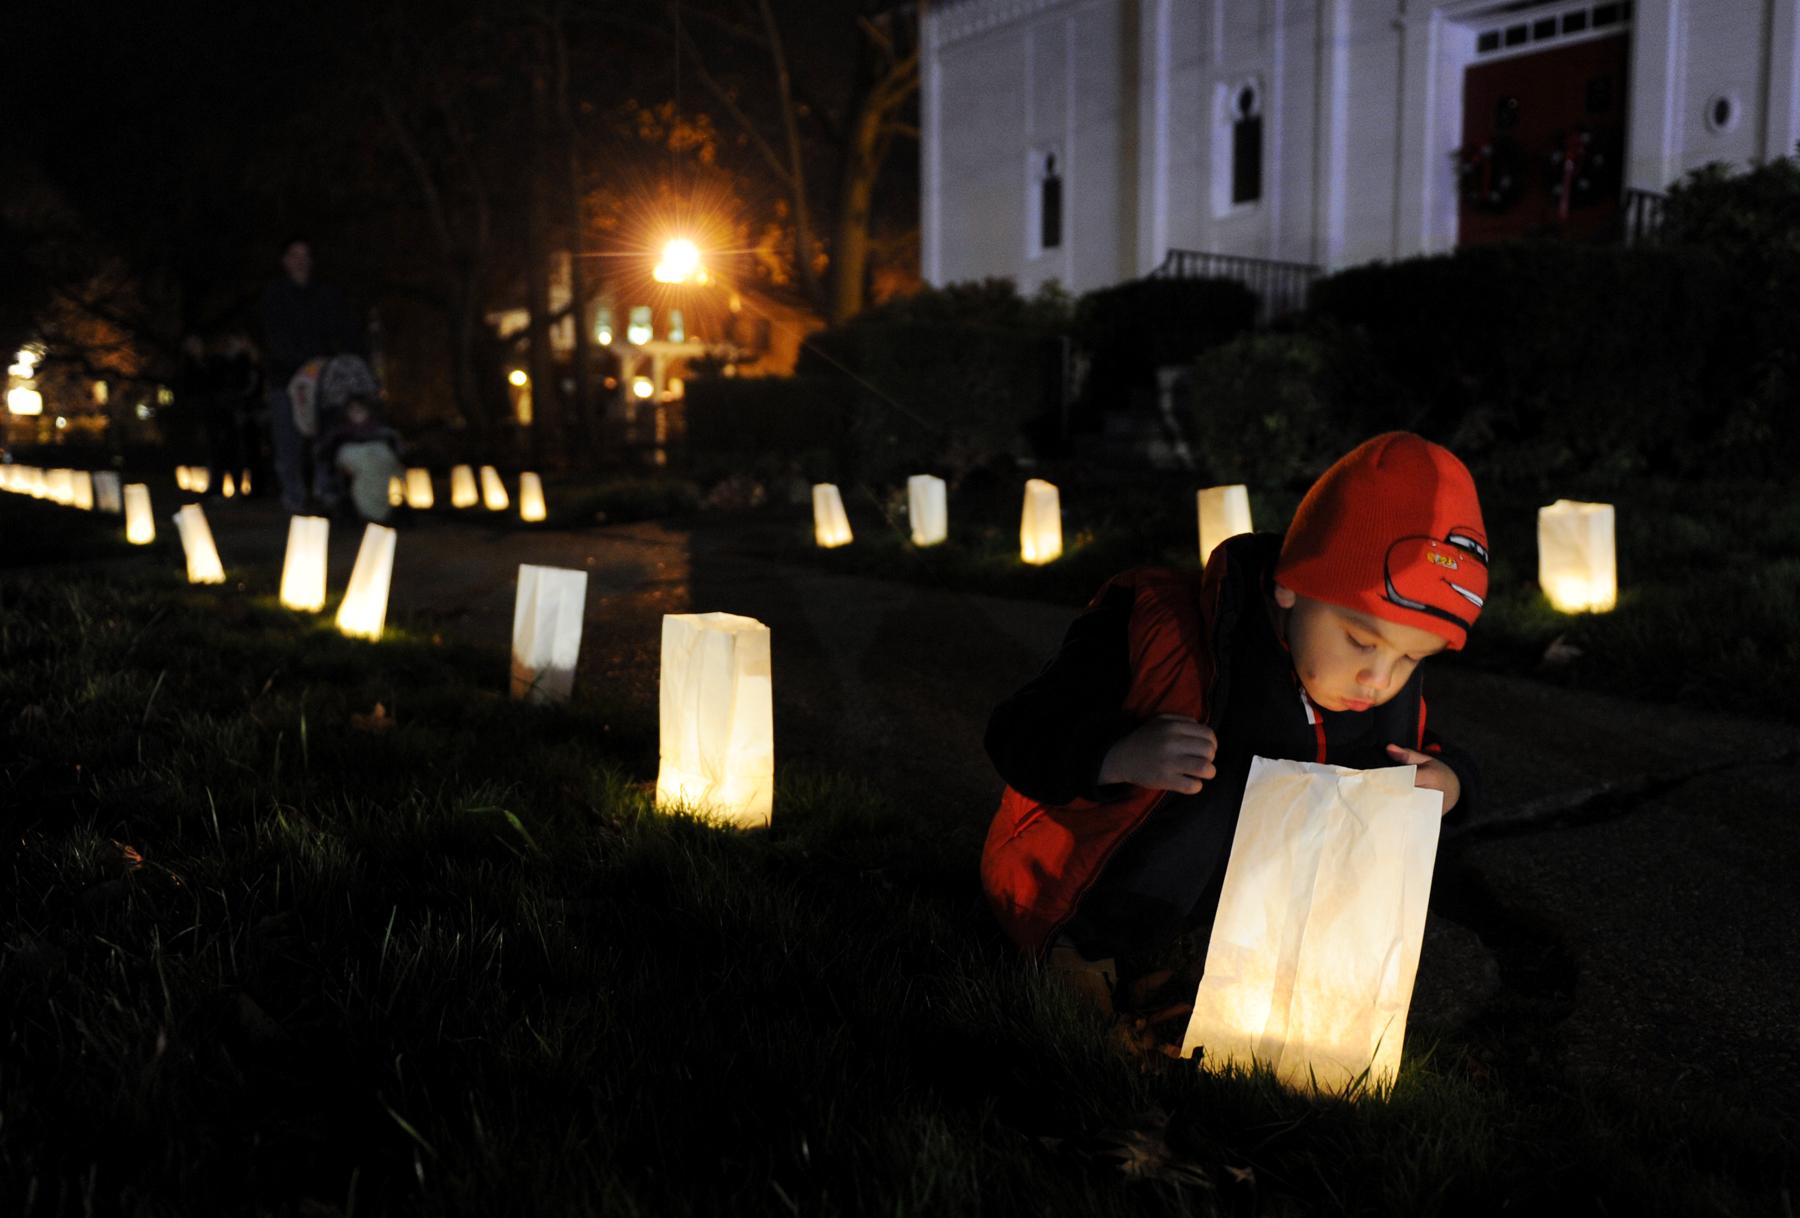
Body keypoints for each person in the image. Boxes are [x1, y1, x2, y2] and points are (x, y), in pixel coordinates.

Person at [980, 432, 1487, 1034]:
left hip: (1231, 916)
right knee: (1211, 778)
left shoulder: (1376, 683)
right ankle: (1081, 949)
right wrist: (1118, 754)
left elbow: (1429, 754)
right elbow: (1016, 733)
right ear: (1291, 585)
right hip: (1077, 891)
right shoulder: (1156, 629)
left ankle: (1212, 952)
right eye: (1361, 640)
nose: (1379, 679)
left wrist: (1448, 784)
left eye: (1411, 659)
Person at [259, 237, 363, 513]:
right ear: (285, 261)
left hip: (322, 380)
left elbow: (339, 331)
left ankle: (326, 490)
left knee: (325, 438)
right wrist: (299, 363)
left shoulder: (325, 294)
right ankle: (293, 495)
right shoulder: (274, 294)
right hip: (285, 379)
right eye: (294, 255)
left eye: (305, 255)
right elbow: (273, 338)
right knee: (288, 441)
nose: (300, 260)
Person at [317, 394, 404, 523]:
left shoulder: (383, 432)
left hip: (380, 473)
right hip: (355, 472)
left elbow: (395, 455)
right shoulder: (340, 435)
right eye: (352, 410)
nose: (356, 414)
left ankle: (380, 510)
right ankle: (367, 511)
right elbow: (327, 456)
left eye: (360, 410)